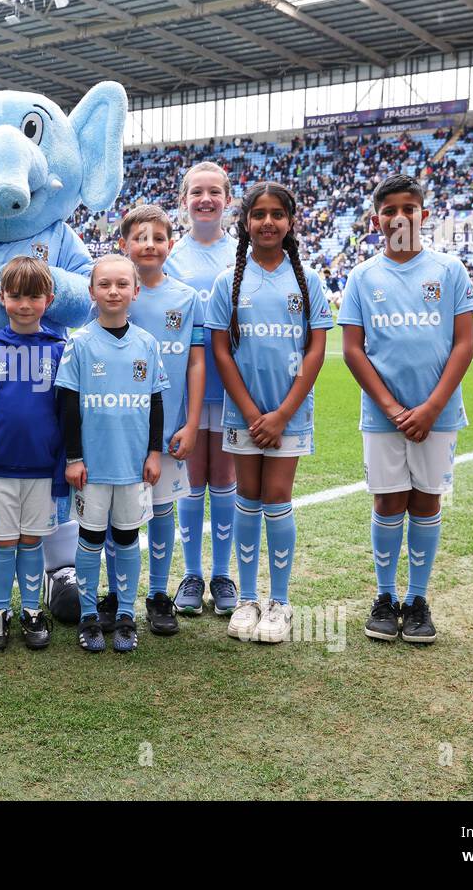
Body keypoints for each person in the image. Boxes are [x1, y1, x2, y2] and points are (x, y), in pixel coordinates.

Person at [339, 174, 473, 644]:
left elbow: (463, 344)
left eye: (410, 207)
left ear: (423, 213)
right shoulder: (362, 275)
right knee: (387, 500)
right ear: (375, 218)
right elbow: (354, 350)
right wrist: (392, 406)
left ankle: (417, 599)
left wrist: (431, 406)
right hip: (383, 416)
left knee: (425, 501)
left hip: (437, 415)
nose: (400, 216)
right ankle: (385, 597)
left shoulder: (450, 270)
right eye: (389, 210)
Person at [207, 182, 332, 643]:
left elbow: (317, 349)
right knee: (247, 497)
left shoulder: (308, 280)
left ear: (291, 221)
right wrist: (250, 410)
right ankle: (246, 598)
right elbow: (221, 352)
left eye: (277, 214)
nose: (267, 222)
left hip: (289, 414)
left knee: (277, 498)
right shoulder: (228, 281)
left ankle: (280, 602)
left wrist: (282, 413)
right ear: (245, 222)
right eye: (258, 214)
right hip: (245, 413)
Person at [57, 254, 168, 653]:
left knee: (125, 538)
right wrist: (73, 457)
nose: (114, 291)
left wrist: (154, 453)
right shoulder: (80, 343)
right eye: (104, 284)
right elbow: (67, 405)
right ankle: (89, 615)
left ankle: (124, 615)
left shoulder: (147, 344)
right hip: (93, 466)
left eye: (122, 284)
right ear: (91, 292)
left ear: (135, 292)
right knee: (89, 538)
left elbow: (155, 403)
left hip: (133, 466)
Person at [0, 256, 68, 652]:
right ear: (2, 297)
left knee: (31, 542)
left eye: (34, 296)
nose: (25, 304)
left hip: (42, 471)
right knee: (2, 543)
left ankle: (33, 612)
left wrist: (61, 470)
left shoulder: (60, 350)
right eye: (16, 296)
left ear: (49, 299)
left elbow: (66, 417)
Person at [111, 204, 203, 636]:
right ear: (124, 244)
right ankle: (115, 591)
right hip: (116, 429)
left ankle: (159, 593)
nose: (149, 244)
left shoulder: (186, 298)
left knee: (163, 509)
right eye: (140, 237)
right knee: (117, 514)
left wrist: (192, 421)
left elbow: (196, 365)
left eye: (158, 237)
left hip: (165, 430)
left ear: (170, 244)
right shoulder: (112, 291)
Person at [166, 161, 239, 616]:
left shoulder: (245, 253)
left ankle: (224, 575)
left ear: (228, 199)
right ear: (184, 201)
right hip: (188, 387)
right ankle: (192, 574)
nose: (206, 199)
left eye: (214, 191)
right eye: (197, 192)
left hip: (233, 385)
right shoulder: (171, 256)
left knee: (225, 480)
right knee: (194, 483)